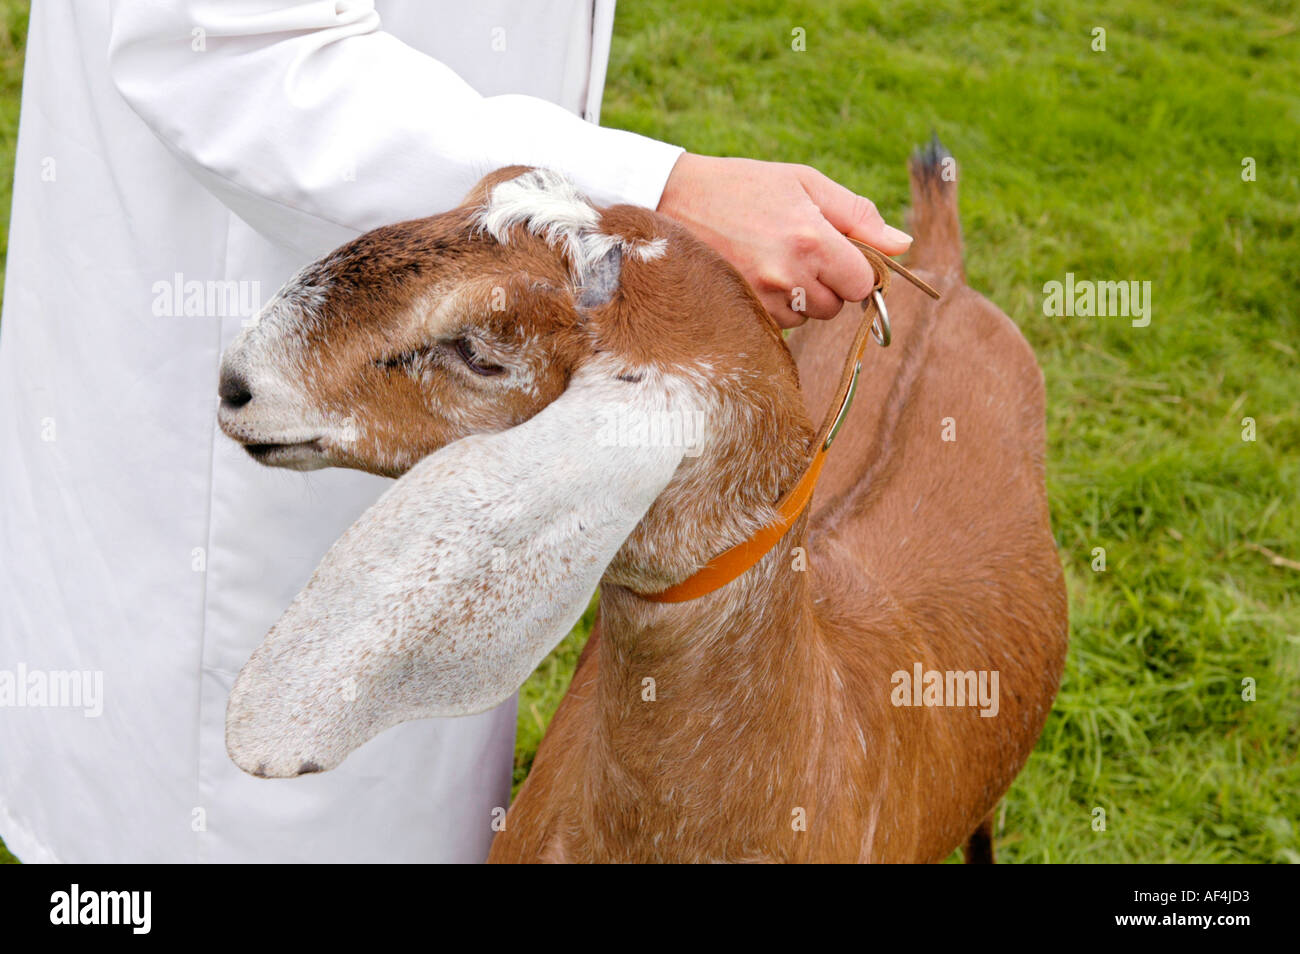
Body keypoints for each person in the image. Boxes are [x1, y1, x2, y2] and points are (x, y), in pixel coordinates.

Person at [0, 0, 910, 862]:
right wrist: (646, 192)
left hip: (452, 350)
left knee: (399, 791)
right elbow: (224, 49)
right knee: (217, 815)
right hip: (241, 340)